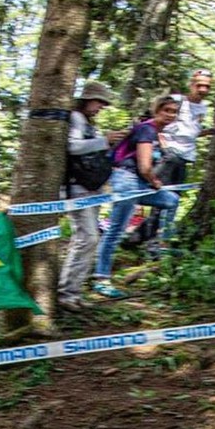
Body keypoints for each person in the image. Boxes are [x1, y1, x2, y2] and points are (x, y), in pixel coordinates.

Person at [92, 95, 181, 296]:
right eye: (166, 110)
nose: (170, 115)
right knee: (116, 230)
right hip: (127, 181)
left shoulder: (156, 133)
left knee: (172, 200)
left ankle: (163, 243)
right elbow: (144, 166)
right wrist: (154, 182)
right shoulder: (146, 129)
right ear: (157, 111)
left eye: (174, 112)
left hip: (138, 184)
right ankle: (101, 278)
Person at [58, 80, 115, 313]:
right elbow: (72, 147)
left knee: (89, 239)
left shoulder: (89, 123)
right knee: (87, 238)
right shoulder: (76, 118)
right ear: (87, 99)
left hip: (92, 189)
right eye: (99, 102)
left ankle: (74, 291)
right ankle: (66, 293)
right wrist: (105, 141)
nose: (101, 107)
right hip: (77, 189)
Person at [160, 69, 215, 188]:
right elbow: (152, 123)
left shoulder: (203, 107)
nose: (203, 89)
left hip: (183, 158)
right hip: (165, 156)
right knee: (159, 192)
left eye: (207, 86)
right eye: (199, 85)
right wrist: (165, 149)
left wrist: (213, 130)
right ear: (191, 85)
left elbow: (191, 132)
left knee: (173, 195)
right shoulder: (175, 100)